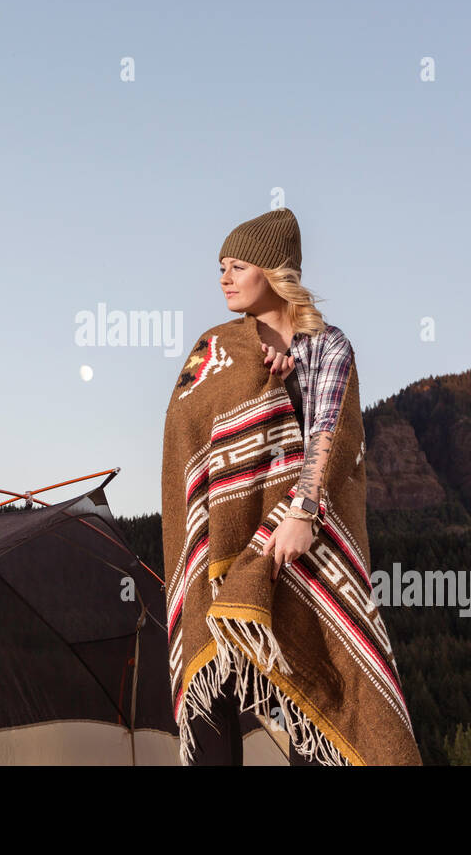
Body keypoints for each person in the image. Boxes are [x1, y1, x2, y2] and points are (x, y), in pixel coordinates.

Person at [186, 207, 354, 766]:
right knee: (221, 680)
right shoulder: (223, 348)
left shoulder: (328, 347)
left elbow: (329, 433)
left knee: (316, 680)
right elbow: (185, 428)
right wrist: (256, 386)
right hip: (227, 540)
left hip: (306, 537)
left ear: (275, 273)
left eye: (237, 266)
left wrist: (303, 512)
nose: (223, 278)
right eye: (220, 267)